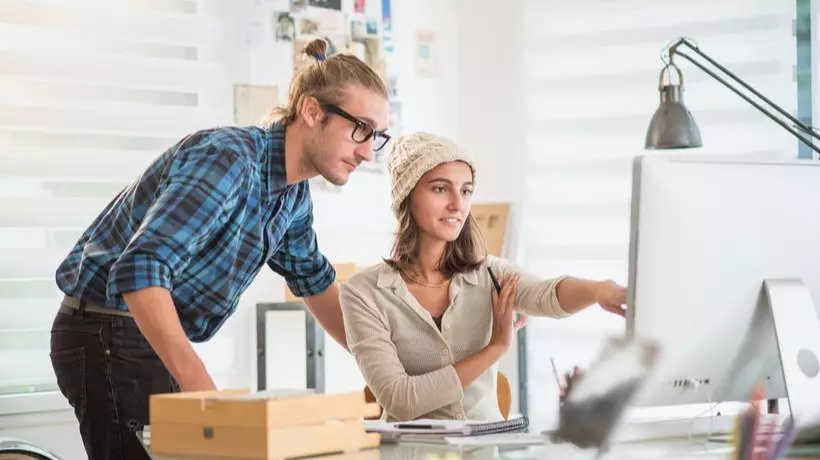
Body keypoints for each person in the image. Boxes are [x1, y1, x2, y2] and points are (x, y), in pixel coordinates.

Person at [49, 38, 390, 460]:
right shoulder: (230, 159)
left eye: (376, 136)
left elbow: (315, 283)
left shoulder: (293, 195)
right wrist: (201, 386)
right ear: (312, 111)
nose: (366, 151)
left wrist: (382, 367)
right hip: (105, 329)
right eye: (360, 129)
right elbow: (141, 269)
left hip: (138, 333)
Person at [339, 132, 626, 422]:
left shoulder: (491, 274)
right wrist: (495, 349)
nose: (457, 204)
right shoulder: (362, 293)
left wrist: (599, 291)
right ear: (406, 195)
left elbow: (546, 295)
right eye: (440, 189)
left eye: (465, 191)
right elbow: (400, 401)